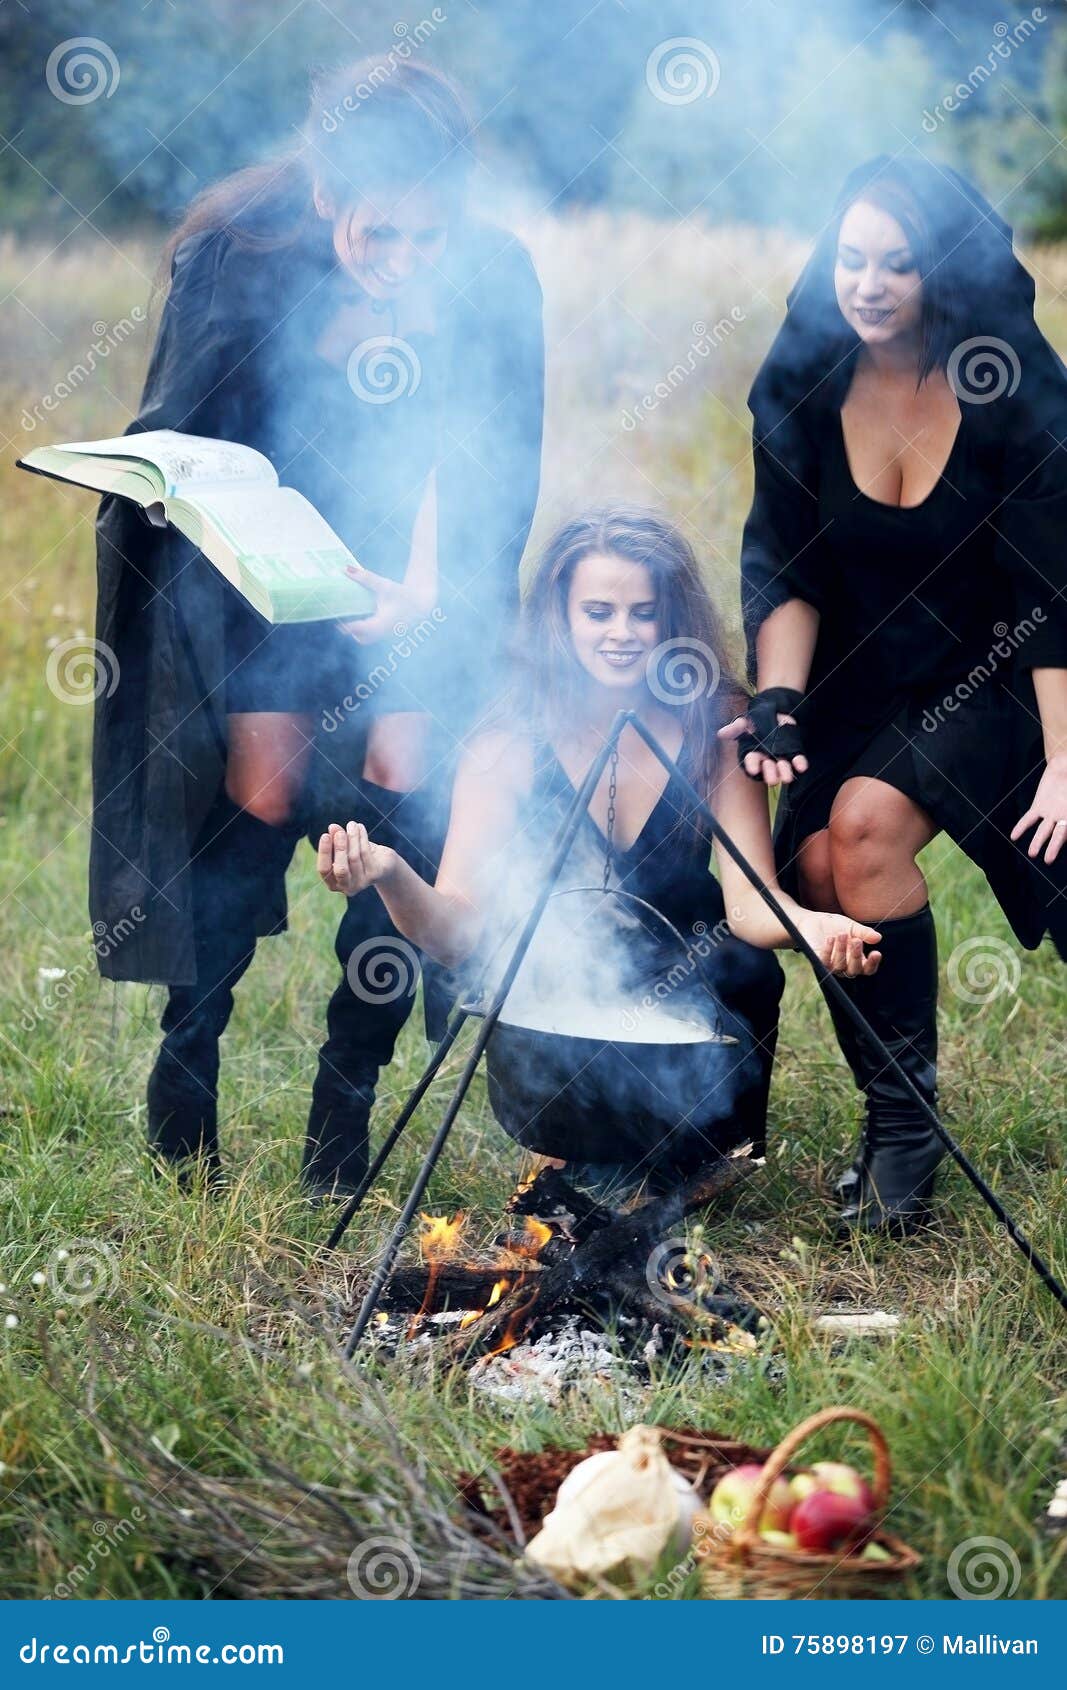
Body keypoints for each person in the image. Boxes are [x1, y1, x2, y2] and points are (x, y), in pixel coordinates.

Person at [89, 57, 544, 1189]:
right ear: (328, 193)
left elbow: (491, 465)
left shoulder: (491, 276)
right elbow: (180, 438)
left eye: (422, 237)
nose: (397, 260)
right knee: (262, 794)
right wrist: (247, 547)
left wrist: (427, 591)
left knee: (397, 786)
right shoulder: (237, 250)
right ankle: (184, 1079)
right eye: (373, 234)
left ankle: (343, 1109)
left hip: (414, 574)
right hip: (255, 575)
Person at [317, 505, 883, 1198]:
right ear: (561, 616)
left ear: (670, 620)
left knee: (744, 965)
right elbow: (459, 933)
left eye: (641, 613)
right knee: (585, 1163)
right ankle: (576, 1143)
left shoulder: (712, 718)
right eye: (597, 612)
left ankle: (715, 1148)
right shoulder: (510, 734)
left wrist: (810, 926)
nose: (621, 634)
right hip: (562, 986)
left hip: (683, 976)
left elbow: (748, 904)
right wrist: (392, 874)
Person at [725, 156, 1067, 1235]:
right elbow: (783, 559)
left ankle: (906, 1137)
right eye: (850, 258)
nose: (866, 284)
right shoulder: (800, 379)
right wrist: (779, 700)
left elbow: (1046, 586)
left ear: (943, 275)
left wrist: (1063, 762)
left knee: (861, 827)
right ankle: (894, 1118)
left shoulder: (1008, 386)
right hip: (851, 676)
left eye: (896, 264)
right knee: (819, 864)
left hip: (996, 672)